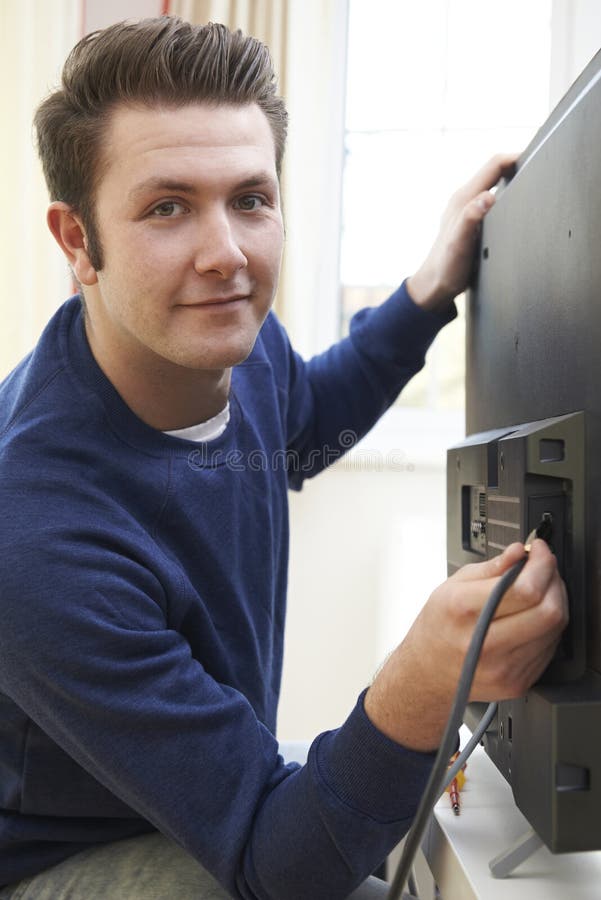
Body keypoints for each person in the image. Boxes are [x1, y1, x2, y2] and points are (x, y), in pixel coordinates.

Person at [0, 16, 566, 900]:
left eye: (250, 199)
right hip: (60, 855)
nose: (227, 254)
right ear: (77, 242)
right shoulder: (38, 534)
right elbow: (277, 869)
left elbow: (299, 428)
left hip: (199, 785)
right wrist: (419, 681)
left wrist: (424, 293)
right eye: (166, 206)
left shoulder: (231, 344)